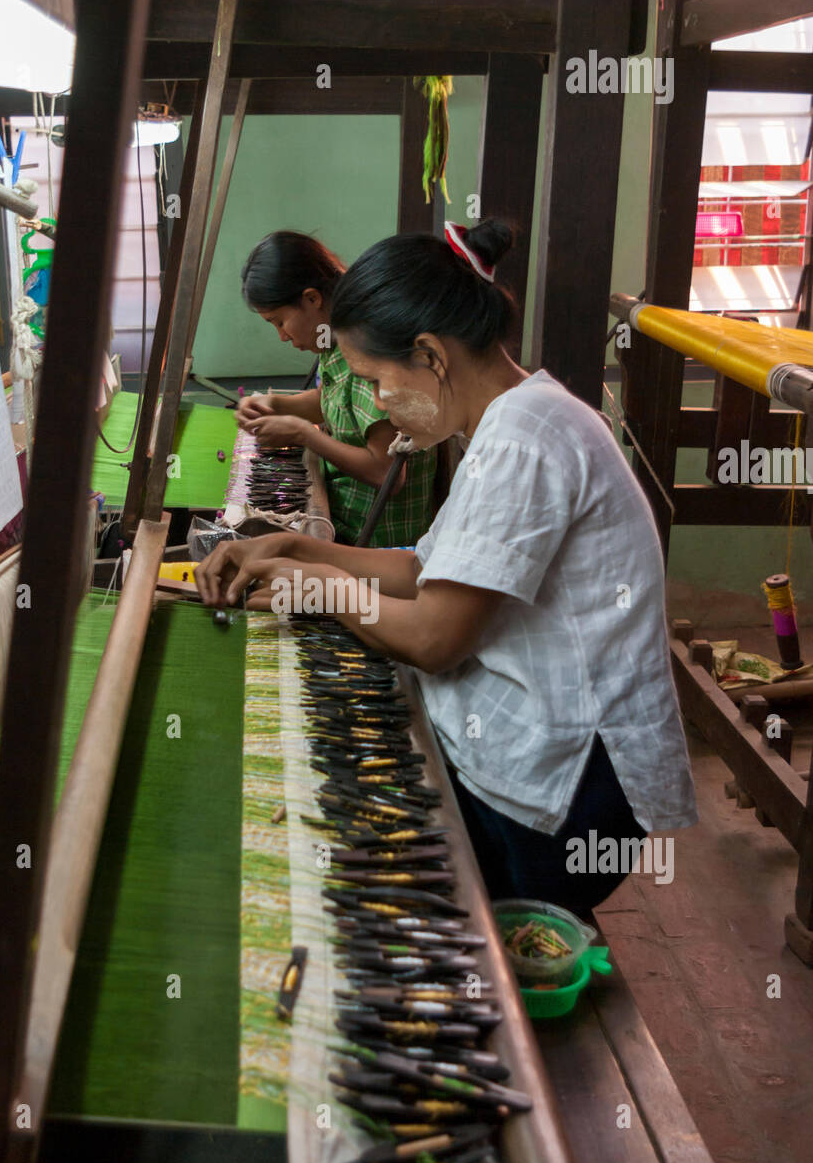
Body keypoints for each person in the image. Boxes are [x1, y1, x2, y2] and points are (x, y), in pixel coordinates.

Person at [196, 219, 698, 915]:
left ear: (430, 355)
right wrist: (289, 546)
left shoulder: (524, 440)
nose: (373, 403)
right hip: (544, 756)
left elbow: (434, 637)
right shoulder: (508, 422)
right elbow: (424, 568)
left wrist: (315, 584)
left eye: (375, 380)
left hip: (570, 791)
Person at [237, 231, 437, 547]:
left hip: (375, 544)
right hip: (339, 515)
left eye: (280, 322)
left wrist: (304, 434)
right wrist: (274, 404)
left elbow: (387, 476)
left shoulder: (366, 347)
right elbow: (335, 402)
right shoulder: (331, 335)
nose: (282, 337)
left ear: (312, 298)